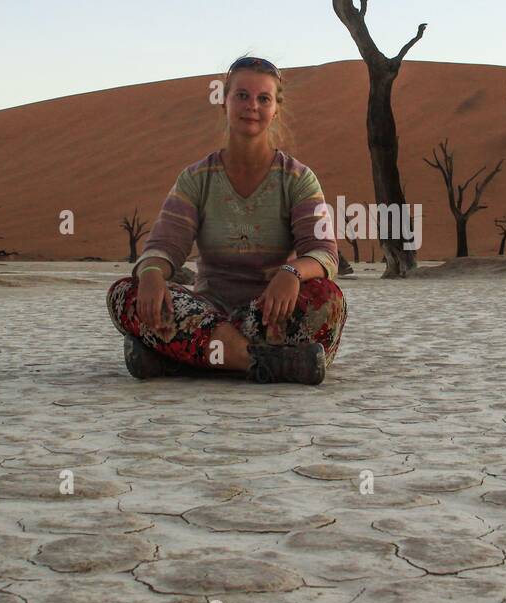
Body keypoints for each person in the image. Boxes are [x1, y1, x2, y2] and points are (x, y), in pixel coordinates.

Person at [106, 56, 346, 385]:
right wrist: (150, 273)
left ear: (276, 108)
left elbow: (323, 253)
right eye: (242, 95)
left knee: (328, 299)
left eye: (264, 98)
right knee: (125, 294)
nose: (252, 106)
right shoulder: (196, 178)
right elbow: (165, 246)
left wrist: (291, 273)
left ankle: (183, 359)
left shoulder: (298, 179)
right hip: (206, 311)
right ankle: (260, 361)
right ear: (224, 101)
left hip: (269, 314)